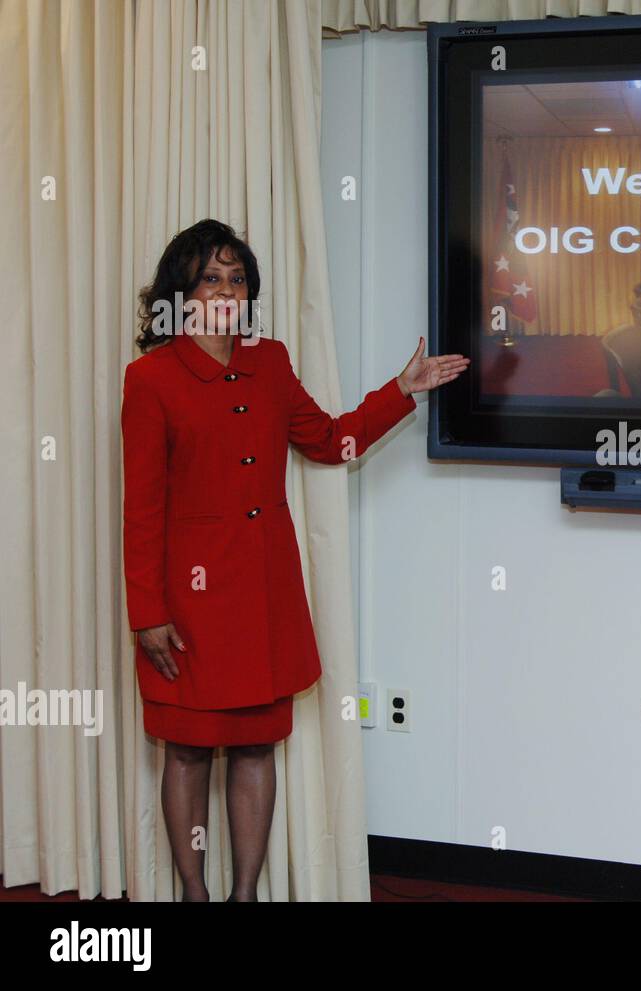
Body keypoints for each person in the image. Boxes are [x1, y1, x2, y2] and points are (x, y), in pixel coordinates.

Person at [122, 219, 469, 901]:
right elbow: (141, 510)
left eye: (237, 276)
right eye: (210, 277)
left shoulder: (270, 360)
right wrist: (147, 612)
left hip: (260, 595)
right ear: (180, 292)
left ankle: (245, 894)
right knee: (188, 750)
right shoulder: (151, 377)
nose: (226, 289)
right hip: (186, 603)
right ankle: (194, 893)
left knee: (255, 746)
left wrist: (402, 389)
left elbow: (331, 441)